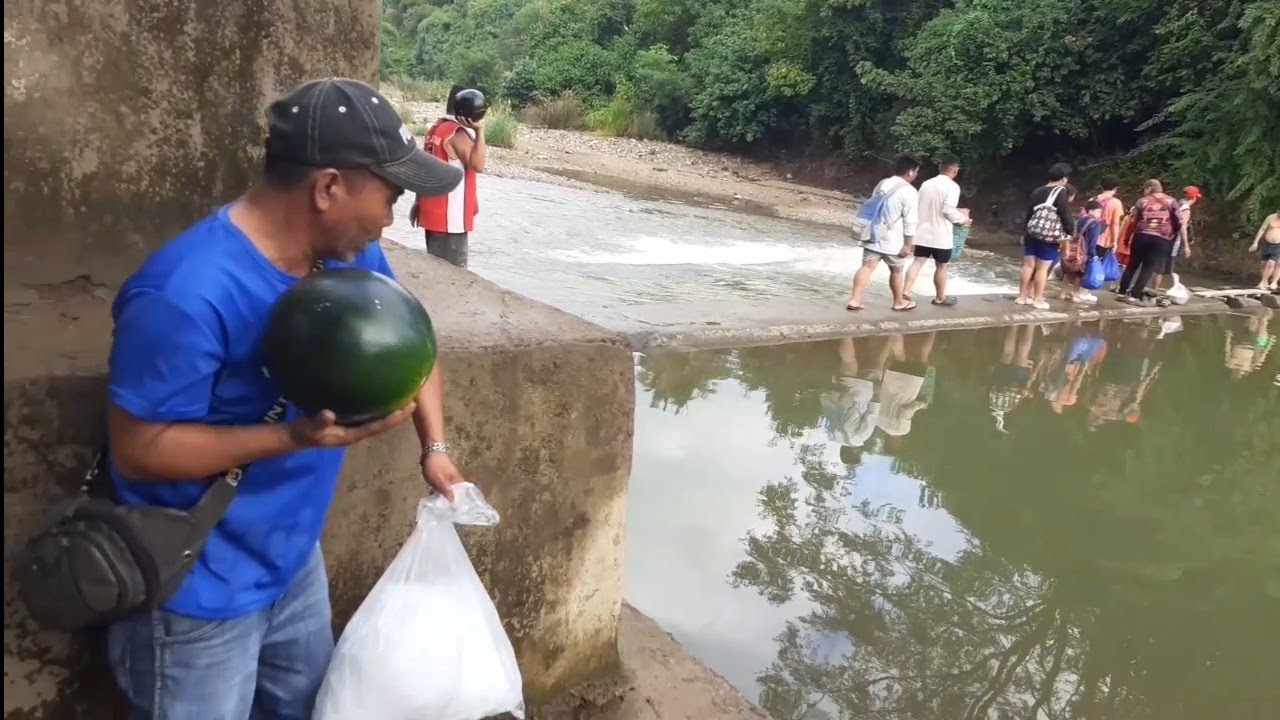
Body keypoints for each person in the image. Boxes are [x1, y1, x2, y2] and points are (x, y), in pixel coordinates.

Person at [103, 78, 468, 719]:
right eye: (390, 195)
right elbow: (138, 451)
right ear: (328, 187)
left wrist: (433, 447)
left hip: (293, 563)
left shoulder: (350, 258)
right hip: (198, 590)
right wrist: (294, 438)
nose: (391, 217)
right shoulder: (184, 294)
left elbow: (413, 340)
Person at [409, 84, 487, 268]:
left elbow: (423, 169)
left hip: (432, 212)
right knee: (454, 273)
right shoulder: (457, 134)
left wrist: (417, 202)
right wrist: (480, 131)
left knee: (436, 267)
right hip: (450, 218)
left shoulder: (435, 130)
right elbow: (478, 165)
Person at [847, 155, 921, 312]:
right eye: (915, 171)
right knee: (897, 271)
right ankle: (898, 302)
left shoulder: (882, 184)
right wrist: (908, 244)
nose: (915, 175)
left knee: (866, 267)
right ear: (909, 172)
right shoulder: (910, 191)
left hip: (873, 234)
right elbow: (910, 221)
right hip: (893, 241)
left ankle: (854, 300)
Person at [904, 154, 972, 306]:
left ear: (939, 167)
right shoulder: (953, 187)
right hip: (941, 235)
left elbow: (920, 206)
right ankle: (940, 297)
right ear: (955, 170)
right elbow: (947, 210)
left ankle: (906, 291)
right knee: (942, 265)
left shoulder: (926, 184)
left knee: (917, 262)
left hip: (922, 232)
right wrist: (963, 217)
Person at [1016, 163, 1075, 310]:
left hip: (1032, 232)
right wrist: (1069, 230)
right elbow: (1063, 211)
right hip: (1048, 236)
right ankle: (1037, 299)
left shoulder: (1037, 191)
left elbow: (1029, 213)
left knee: (1028, 265)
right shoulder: (1060, 191)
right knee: (1042, 269)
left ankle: (1022, 297)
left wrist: (1025, 231)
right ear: (1064, 178)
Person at [1117, 179, 1183, 305]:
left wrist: (1127, 238)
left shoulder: (1142, 201)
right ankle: (1134, 296)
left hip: (1141, 236)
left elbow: (1133, 221)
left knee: (1132, 265)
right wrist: (1172, 233)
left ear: (1149, 189)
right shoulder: (1171, 201)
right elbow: (1179, 221)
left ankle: (1122, 293)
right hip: (1161, 239)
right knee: (1148, 268)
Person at [1153, 185, 1200, 291]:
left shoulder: (1174, 204)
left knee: (1159, 265)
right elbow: (1182, 227)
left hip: (1161, 236)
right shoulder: (1186, 209)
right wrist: (1186, 246)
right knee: (1162, 267)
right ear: (1193, 198)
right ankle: (1155, 290)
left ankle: (1155, 288)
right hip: (1172, 240)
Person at [1060, 200, 1104, 304]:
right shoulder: (1095, 224)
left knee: (1069, 271)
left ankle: (1063, 293)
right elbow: (1093, 241)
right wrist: (1093, 255)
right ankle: (1075, 295)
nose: (1099, 214)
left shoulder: (1080, 220)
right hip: (1084, 251)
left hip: (1073, 248)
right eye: (1098, 211)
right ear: (1091, 211)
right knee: (1079, 274)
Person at [1249, 209, 1280, 291]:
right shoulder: (1271, 217)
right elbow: (1262, 229)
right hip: (1267, 243)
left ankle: (1272, 282)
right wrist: (1255, 242)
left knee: (1273, 263)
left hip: (1278, 245)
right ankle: (1265, 281)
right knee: (1263, 264)